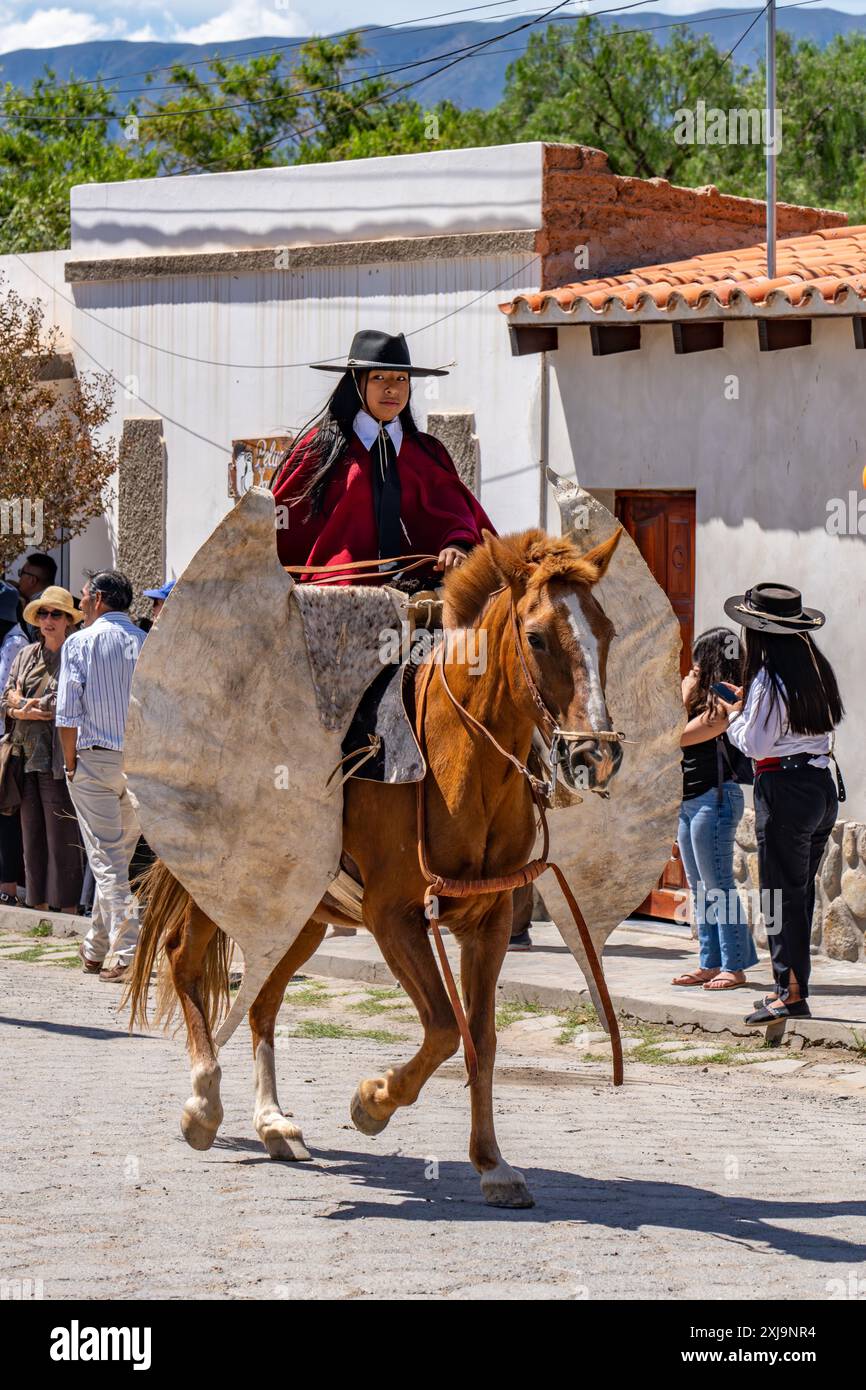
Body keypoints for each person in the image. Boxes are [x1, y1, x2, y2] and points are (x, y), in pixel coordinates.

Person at [271, 329, 495, 591]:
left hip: (417, 596)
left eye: (401, 378)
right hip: (330, 599)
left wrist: (457, 545)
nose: (392, 388)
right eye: (379, 377)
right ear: (356, 381)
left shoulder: (427, 453)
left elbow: (455, 512)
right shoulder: (319, 449)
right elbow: (281, 526)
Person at [719, 584, 844, 1024]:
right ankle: (789, 988)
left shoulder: (770, 678)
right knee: (798, 895)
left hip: (785, 791)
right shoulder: (814, 671)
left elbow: (755, 744)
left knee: (780, 896)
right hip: (818, 787)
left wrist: (733, 717)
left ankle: (788, 994)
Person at [56, 570, 146, 983]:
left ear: (98, 598)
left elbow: (67, 713)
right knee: (117, 859)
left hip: (95, 759)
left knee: (109, 862)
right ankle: (95, 946)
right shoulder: (146, 642)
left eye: (84, 595)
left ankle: (127, 949)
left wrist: (70, 763)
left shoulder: (81, 642)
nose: (80, 601)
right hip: (140, 765)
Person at [671, 628, 758, 991]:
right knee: (699, 887)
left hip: (715, 799)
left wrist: (687, 694)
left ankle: (734, 965)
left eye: (696, 659)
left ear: (710, 662)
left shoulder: (724, 701)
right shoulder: (699, 698)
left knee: (718, 885)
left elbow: (674, 736)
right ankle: (709, 962)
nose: (691, 666)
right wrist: (686, 693)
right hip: (689, 800)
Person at [1, 587, 86, 914]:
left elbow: (65, 702)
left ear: (68, 621)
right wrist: (21, 706)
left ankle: (67, 906)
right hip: (23, 756)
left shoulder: (74, 655)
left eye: (56, 614)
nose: (47, 620)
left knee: (61, 833)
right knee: (30, 831)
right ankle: (36, 902)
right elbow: (6, 697)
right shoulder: (25, 654)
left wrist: (23, 704)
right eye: (43, 614)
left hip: (57, 756)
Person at [0, 581, 31, 905]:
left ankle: (9, 885)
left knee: (7, 816)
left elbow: (7, 695)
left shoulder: (13, 644)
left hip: (9, 743)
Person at [15, 553, 58, 640]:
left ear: (32, 580)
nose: (19, 579)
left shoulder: (37, 608)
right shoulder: (58, 602)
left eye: (21, 573)